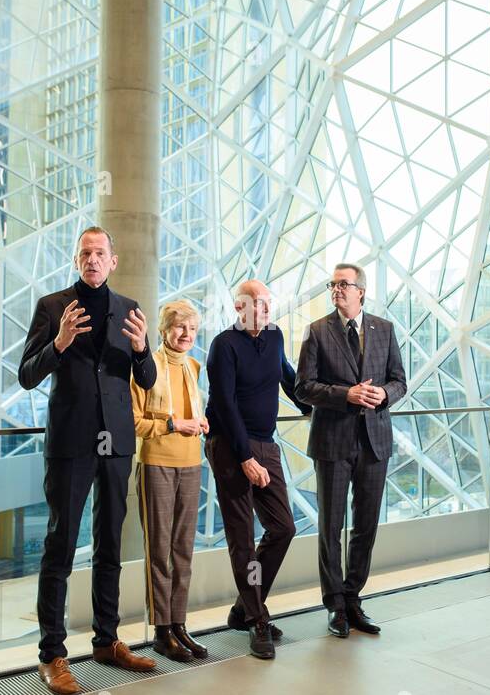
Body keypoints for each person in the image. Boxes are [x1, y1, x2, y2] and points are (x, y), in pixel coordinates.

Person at [19, 226, 158, 695]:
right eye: (85, 253)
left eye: (100, 253)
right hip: (72, 442)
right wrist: (58, 343)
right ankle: (53, 655)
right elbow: (25, 375)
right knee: (60, 545)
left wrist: (142, 349)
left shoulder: (130, 310)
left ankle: (107, 640)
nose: (93, 259)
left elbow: (148, 377)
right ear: (76, 260)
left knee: (110, 545)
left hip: (116, 441)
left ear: (113, 261)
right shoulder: (52, 306)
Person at [294, 263, 407, 638]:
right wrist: (347, 395)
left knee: (366, 526)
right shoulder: (317, 331)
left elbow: (400, 381)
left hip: (375, 441)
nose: (336, 290)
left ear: (361, 291)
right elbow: (303, 388)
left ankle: (353, 597)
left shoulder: (384, 329)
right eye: (333, 284)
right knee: (330, 527)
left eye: (344, 284)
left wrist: (383, 394)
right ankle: (335, 606)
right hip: (332, 442)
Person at [204, 280, 311, 659]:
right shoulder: (224, 346)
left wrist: (310, 407)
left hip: (267, 443)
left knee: (283, 527)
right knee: (242, 537)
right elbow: (225, 404)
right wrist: (246, 457)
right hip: (231, 447)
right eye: (258, 303)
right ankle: (257, 619)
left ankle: (245, 608)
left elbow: (285, 374)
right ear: (239, 306)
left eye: (268, 303)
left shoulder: (275, 335)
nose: (266, 310)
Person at [131, 299, 210, 662]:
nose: (185, 335)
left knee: (183, 551)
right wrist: (173, 425)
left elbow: (191, 412)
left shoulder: (193, 367)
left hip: (191, 463)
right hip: (157, 463)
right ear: (163, 331)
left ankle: (179, 624)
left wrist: (201, 422)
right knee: (159, 551)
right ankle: (161, 630)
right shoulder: (146, 368)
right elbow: (133, 422)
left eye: (191, 328)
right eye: (179, 327)